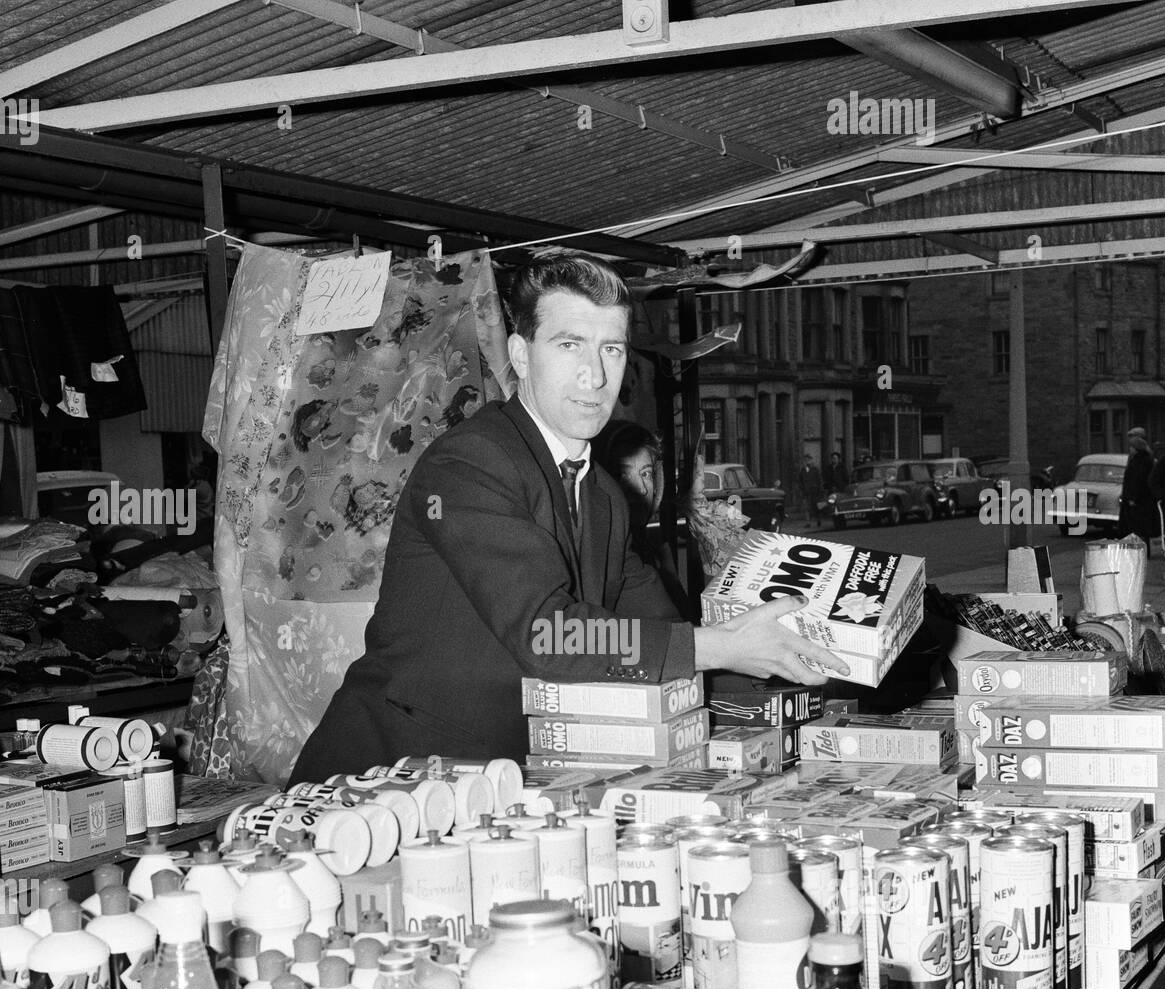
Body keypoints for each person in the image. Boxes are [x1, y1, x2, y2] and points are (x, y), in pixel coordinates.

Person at [290, 250, 851, 779]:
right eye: (568, 345)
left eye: (612, 348)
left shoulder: (603, 493)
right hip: (384, 776)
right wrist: (725, 646)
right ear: (519, 355)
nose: (595, 375)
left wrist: (792, 637)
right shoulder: (471, 462)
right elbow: (547, 633)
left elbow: (658, 630)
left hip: (500, 781)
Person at [593, 419, 688, 615]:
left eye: (646, 474)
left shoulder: (649, 549)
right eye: (622, 475)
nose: (643, 489)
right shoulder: (599, 560)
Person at [1117, 427, 1157, 551]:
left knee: (1137, 526)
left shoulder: (1141, 461)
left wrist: (1133, 497)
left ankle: (1137, 549)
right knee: (1136, 526)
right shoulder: (1138, 459)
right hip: (1135, 498)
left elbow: (1137, 481)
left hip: (1137, 500)